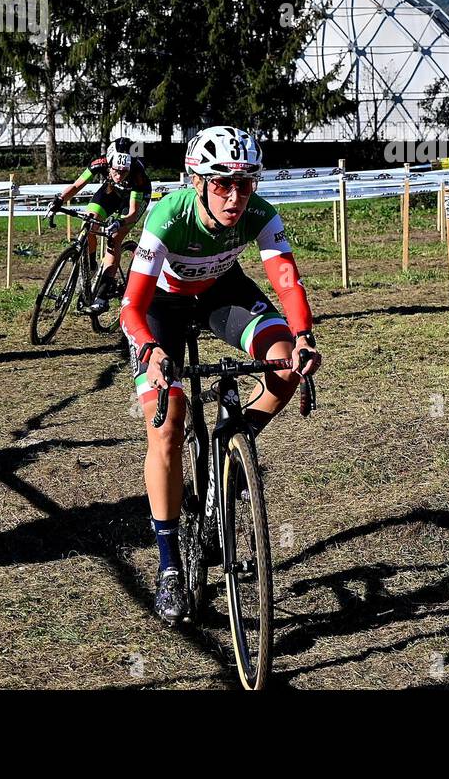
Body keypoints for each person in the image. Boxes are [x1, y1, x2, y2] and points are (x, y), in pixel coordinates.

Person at [119, 125, 322, 623]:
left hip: (219, 293)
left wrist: (304, 337)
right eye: (221, 185)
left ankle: (235, 438)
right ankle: (169, 569)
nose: (234, 197)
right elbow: (131, 307)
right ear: (196, 181)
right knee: (166, 426)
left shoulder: (258, 214)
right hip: (161, 308)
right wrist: (149, 351)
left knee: (284, 358)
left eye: (245, 184)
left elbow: (287, 280)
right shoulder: (167, 216)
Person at [50, 138, 151, 313]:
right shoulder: (99, 164)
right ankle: (91, 264)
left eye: (123, 171)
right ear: (109, 163)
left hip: (133, 199)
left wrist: (120, 222)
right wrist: (58, 201)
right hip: (111, 192)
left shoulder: (137, 174)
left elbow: (133, 213)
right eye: (115, 171)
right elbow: (76, 186)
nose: (119, 176)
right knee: (88, 222)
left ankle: (103, 296)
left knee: (114, 238)